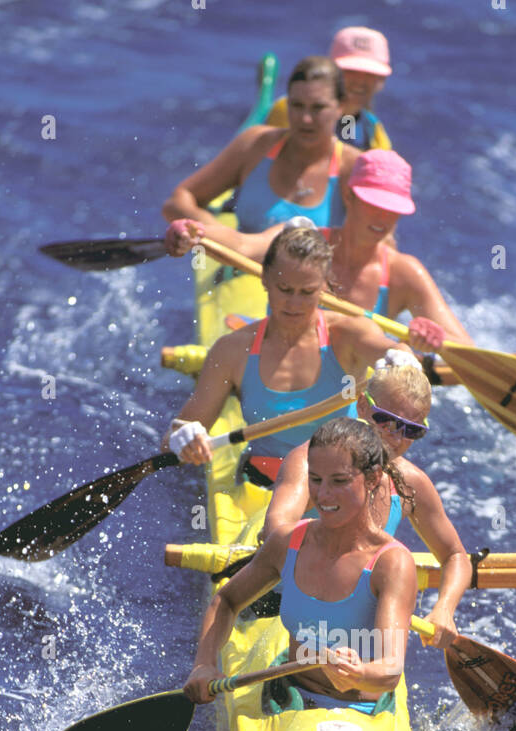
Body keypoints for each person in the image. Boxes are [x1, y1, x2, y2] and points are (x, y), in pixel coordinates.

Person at [183, 417, 419, 717]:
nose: (323, 495)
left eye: (340, 481)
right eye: (316, 479)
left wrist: (357, 671)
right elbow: (226, 601)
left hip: (360, 708)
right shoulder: (288, 542)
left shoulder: (393, 563)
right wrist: (204, 664)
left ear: (373, 478)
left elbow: (390, 670)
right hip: (290, 693)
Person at [165, 226, 416, 487]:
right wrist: (183, 440)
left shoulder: (349, 333)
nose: (294, 303)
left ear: (323, 287)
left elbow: (390, 349)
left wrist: (402, 356)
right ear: (264, 279)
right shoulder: (232, 350)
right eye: (284, 289)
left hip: (340, 484)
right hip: (265, 481)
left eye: (307, 292)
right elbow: (173, 440)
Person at [165, 150, 471, 354]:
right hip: (283, 371)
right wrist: (197, 233)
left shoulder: (405, 273)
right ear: (349, 196)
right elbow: (242, 245)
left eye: (391, 210)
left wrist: (429, 339)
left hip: (347, 397)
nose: (382, 219)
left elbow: (463, 347)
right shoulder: (302, 239)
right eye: (373, 205)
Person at [263, 355, 472, 646]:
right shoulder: (311, 460)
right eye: (387, 420)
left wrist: (444, 609)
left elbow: (455, 556)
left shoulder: (411, 483)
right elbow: (275, 530)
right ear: (362, 405)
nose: (395, 438)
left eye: (411, 430)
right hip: (282, 597)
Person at [162, 57, 358, 233]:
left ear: (341, 107)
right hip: (240, 267)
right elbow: (179, 199)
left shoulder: (353, 167)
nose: (305, 119)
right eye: (297, 105)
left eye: (318, 108)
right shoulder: (255, 145)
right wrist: (216, 232)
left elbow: (382, 248)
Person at [265, 26, 392, 151]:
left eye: (370, 73)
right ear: (330, 72)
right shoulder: (290, 110)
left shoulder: (372, 130)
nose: (360, 80)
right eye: (350, 71)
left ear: (381, 80)